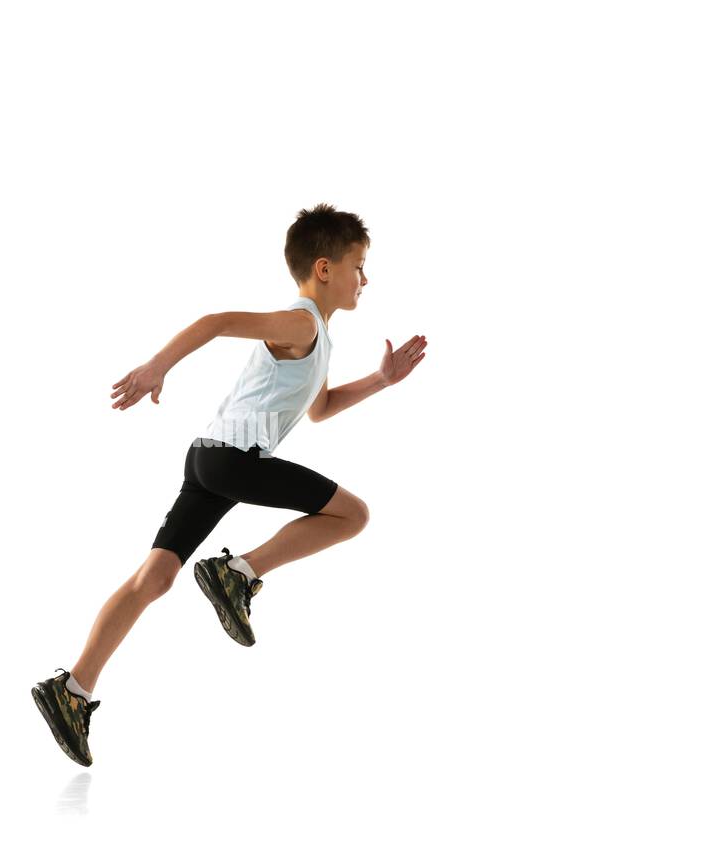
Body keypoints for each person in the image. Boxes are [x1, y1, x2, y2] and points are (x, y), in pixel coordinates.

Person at [31, 203, 427, 766]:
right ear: (323, 269)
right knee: (353, 514)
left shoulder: (318, 341)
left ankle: (72, 688)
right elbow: (215, 322)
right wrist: (156, 366)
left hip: (208, 460)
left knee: (155, 577)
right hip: (235, 461)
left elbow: (320, 408)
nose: (366, 278)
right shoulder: (301, 322)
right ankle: (236, 572)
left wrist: (381, 381)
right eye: (359, 265)